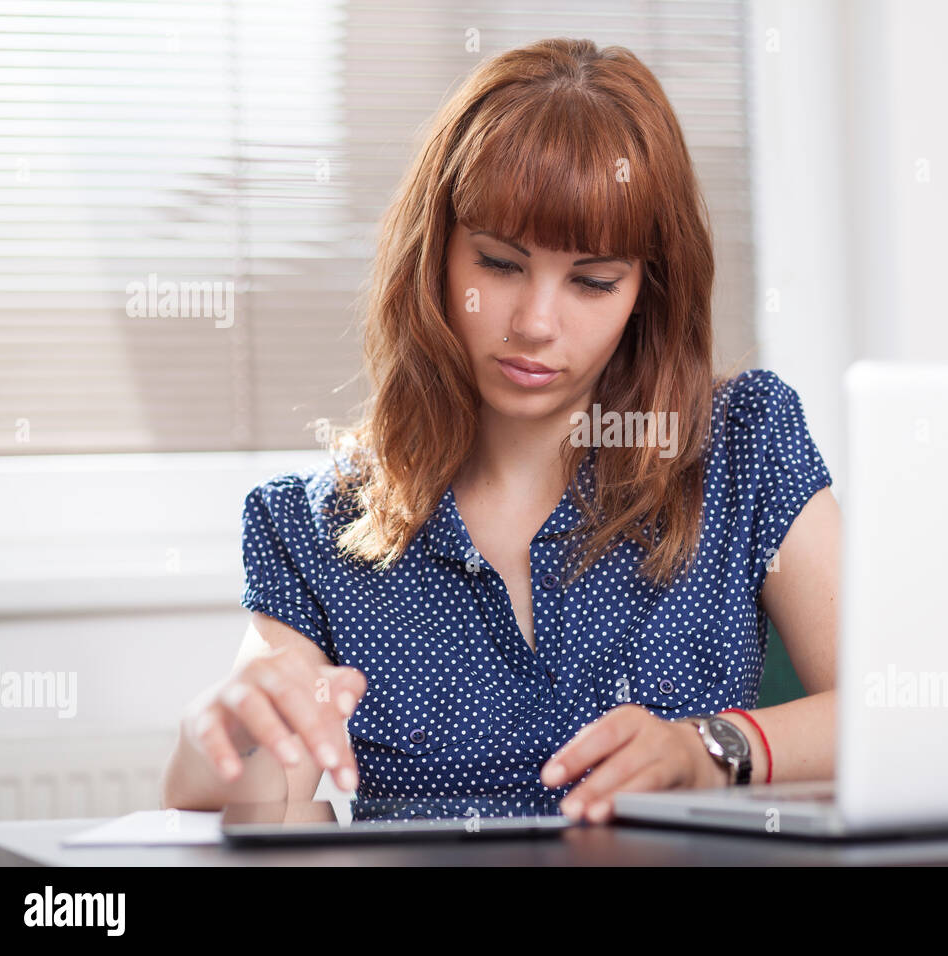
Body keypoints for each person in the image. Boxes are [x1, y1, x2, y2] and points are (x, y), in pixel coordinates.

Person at [160, 37, 839, 823]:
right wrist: (228, 728)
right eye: (499, 264)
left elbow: (888, 712)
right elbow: (253, 787)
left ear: (646, 293)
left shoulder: (741, 446)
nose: (535, 324)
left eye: (592, 281)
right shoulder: (317, 528)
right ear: (436, 255)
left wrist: (713, 748)